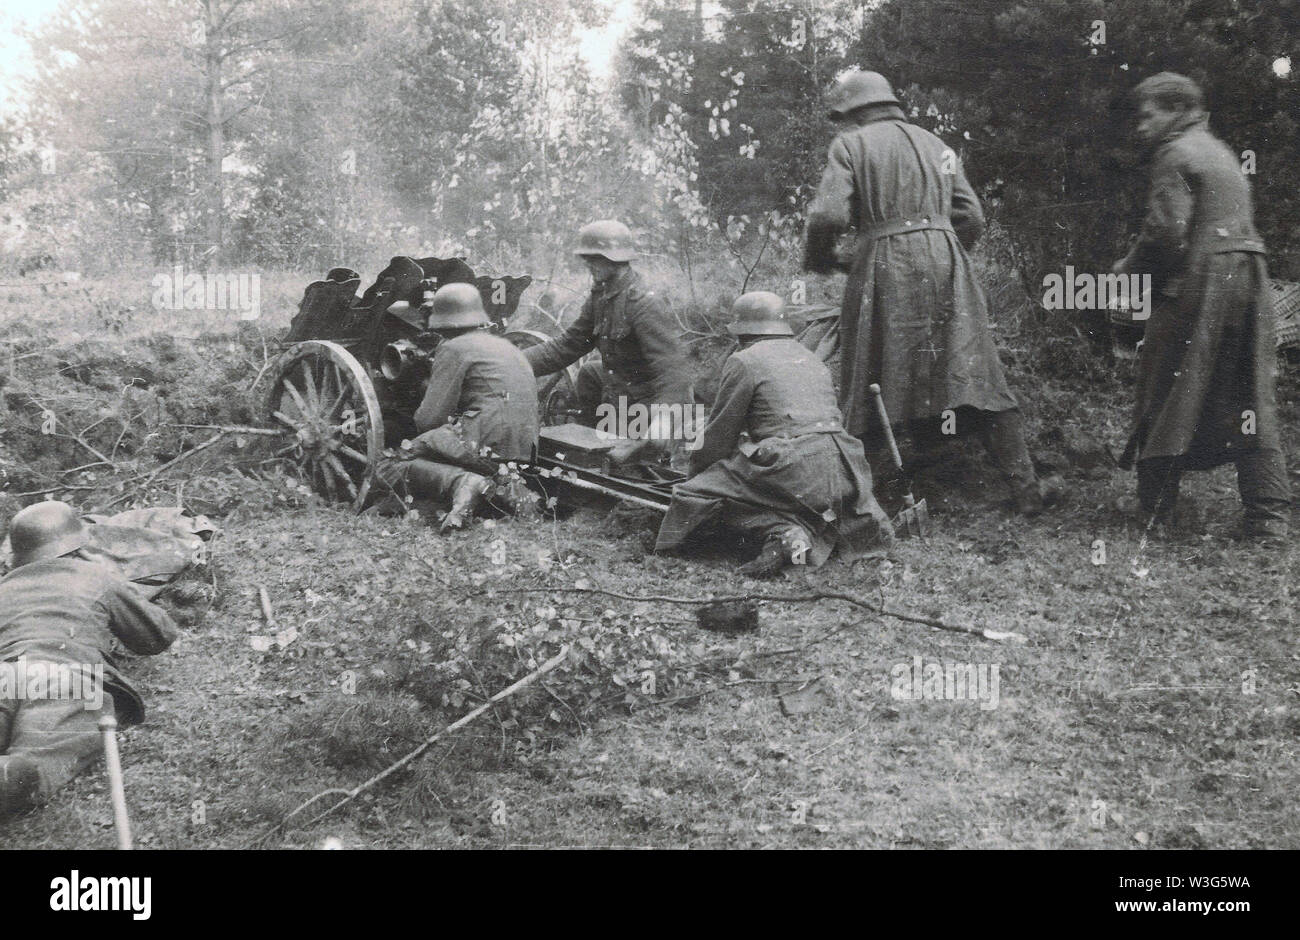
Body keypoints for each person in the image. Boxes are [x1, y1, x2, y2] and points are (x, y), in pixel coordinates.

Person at [803, 70, 1054, 514]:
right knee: (972, 369)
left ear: (853, 112)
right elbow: (972, 215)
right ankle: (1026, 488)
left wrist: (822, 258)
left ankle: (863, 500)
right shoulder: (937, 145)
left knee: (872, 372)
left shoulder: (851, 145)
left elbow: (827, 217)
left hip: (883, 261)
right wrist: (946, 252)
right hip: (946, 258)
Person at [1113, 72, 1290, 539]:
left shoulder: (1174, 153)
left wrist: (1126, 273)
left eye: (1147, 115)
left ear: (1175, 111)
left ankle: (1156, 514)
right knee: (1250, 391)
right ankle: (1268, 518)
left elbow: (1166, 233)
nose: (1140, 127)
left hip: (1204, 275)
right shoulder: (1219, 149)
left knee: (1163, 379)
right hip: (1250, 273)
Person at [655, 292, 894, 578]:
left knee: (696, 495)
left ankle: (783, 531)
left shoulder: (744, 360)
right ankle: (803, 534)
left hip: (791, 465)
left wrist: (697, 476)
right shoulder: (811, 358)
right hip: (844, 467)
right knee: (783, 494)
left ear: (743, 331)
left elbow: (720, 434)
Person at [1, 501, 177, 818]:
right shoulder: (94, 575)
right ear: (79, 545)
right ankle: (14, 775)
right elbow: (157, 636)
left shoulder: (3, 588)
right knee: (41, 751)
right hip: (63, 674)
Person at [522, 220, 693, 461]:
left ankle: (611, 453)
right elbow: (569, 344)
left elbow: (674, 369)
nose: (588, 264)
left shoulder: (643, 303)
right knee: (591, 373)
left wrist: (664, 421)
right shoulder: (602, 296)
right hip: (620, 394)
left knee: (622, 472)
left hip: (646, 406)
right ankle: (588, 441)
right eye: (587, 258)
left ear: (614, 258)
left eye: (594, 258)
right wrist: (513, 362)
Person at [375, 283, 539, 532]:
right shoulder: (506, 345)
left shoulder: (453, 348)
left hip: (483, 438)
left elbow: (429, 420)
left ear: (441, 318)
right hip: (525, 445)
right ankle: (511, 489)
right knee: (451, 446)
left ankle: (463, 482)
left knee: (388, 463)